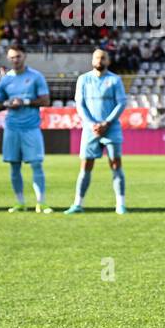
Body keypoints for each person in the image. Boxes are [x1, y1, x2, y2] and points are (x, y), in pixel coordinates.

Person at [65, 48, 128, 215]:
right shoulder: (83, 79)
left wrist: (106, 123)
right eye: (97, 58)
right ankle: (78, 204)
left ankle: (120, 204)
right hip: (90, 129)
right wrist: (93, 123)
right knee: (86, 165)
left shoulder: (115, 80)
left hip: (111, 128)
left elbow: (121, 103)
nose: (99, 61)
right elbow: (80, 105)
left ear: (108, 61)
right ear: (92, 60)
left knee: (115, 164)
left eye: (103, 58)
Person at [0, 44, 53, 213]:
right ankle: (20, 202)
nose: (15, 60)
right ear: (8, 58)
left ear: (24, 56)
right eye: (12, 57)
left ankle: (41, 203)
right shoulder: (5, 79)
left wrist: (25, 102)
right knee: (14, 165)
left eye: (18, 56)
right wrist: (8, 103)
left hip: (31, 128)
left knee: (36, 164)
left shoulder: (36, 77)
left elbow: (46, 100)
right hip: (12, 128)